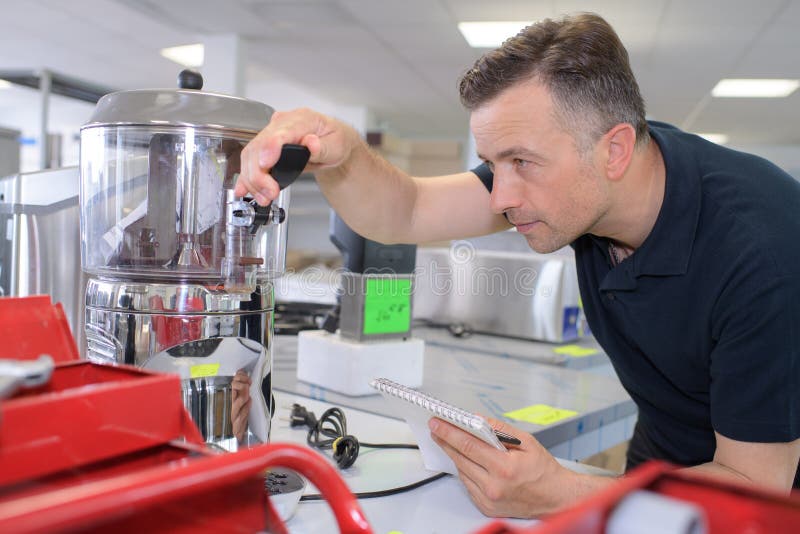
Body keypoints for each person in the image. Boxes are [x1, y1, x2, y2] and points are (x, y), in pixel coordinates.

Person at [236, 12, 800, 518]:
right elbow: (405, 209)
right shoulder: (593, 178)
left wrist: (560, 490)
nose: (501, 196)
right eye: (492, 164)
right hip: (662, 462)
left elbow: (754, 483)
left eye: (522, 162)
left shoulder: (762, 251)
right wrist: (345, 153)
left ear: (615, 151)